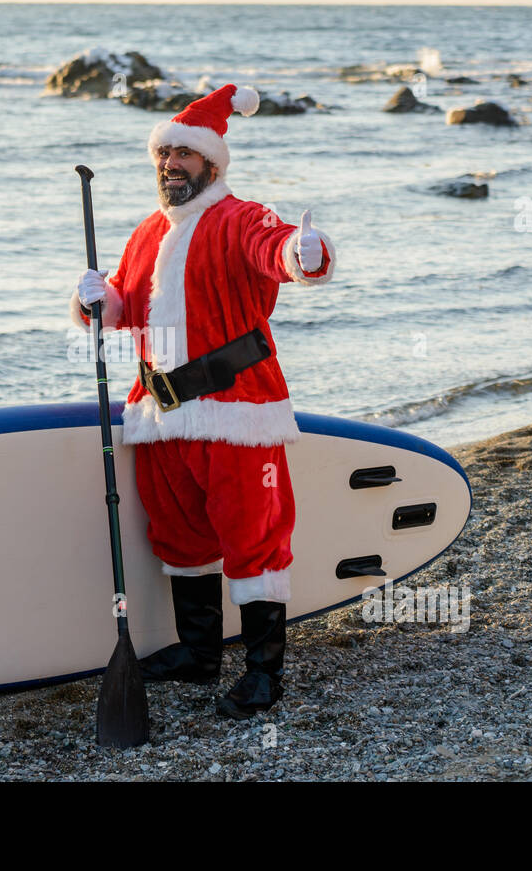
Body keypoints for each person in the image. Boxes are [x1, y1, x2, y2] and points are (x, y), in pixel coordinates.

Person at [70, 83, 335, 719]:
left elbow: (277, 253)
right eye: (164, 158)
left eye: (183, 158)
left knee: (254, 539)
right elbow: (125, 312)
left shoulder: (242, 217)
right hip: (160, 417)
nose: (170, 167)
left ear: (211, 165)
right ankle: (198, 654)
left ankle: (265, 674)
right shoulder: (145, 234)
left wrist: (305, 255)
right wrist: (92, 303)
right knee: (180, 536)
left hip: (238, 412)